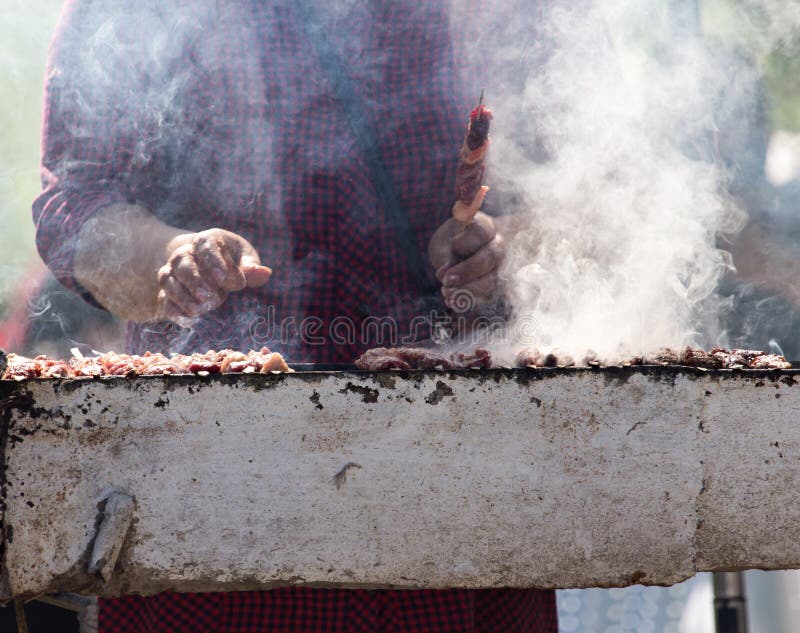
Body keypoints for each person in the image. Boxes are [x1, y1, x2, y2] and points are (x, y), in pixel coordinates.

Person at [33, 0, 557, 631]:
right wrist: (171, 257)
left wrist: (510, 249)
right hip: (224, 508)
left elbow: (603, 193)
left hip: (470, 492)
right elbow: (74, 206)